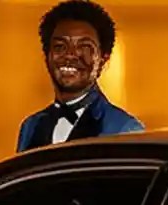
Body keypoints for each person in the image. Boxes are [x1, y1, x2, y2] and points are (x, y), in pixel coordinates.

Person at [16, 0, 142, 152]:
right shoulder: (31, 126)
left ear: (103, 59)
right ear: (47, 56)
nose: (70, 55)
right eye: (60, 47)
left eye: (84, 47)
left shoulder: (124, 129)